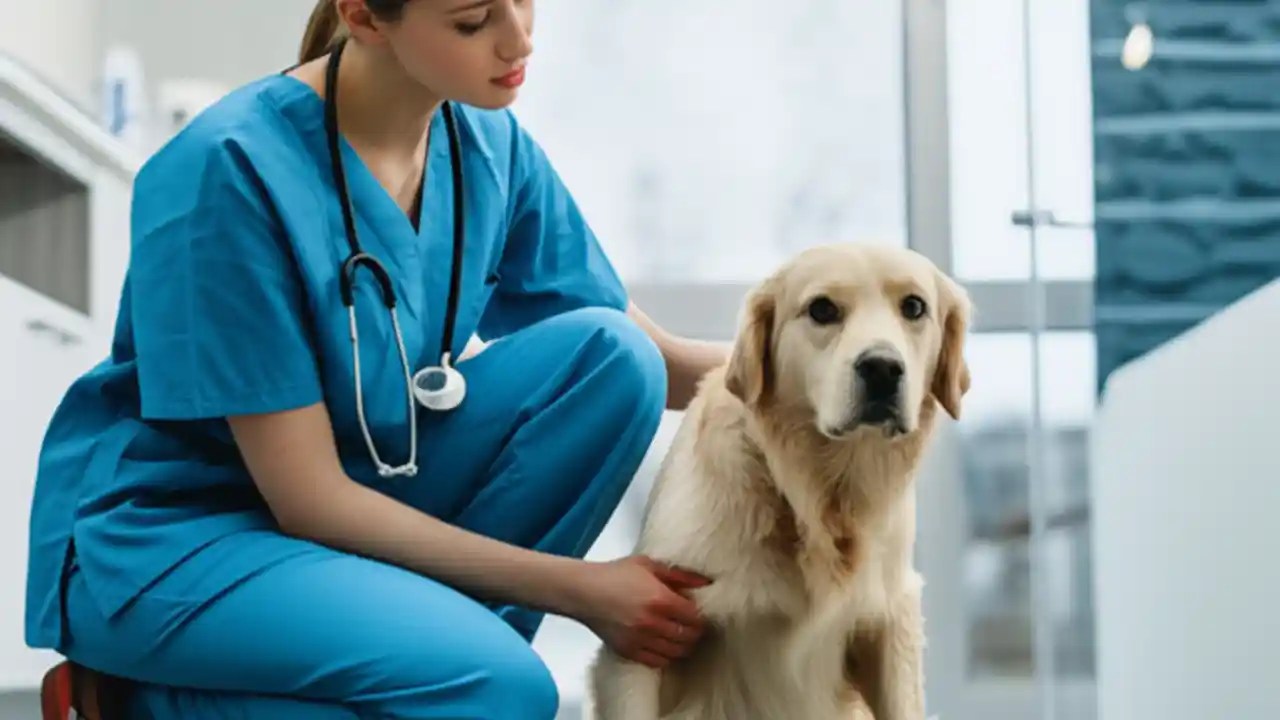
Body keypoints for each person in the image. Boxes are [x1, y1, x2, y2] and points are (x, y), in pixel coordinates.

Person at [23, 1, 729, 717]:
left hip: (363, 487)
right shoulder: (226, 169)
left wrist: (837, 363)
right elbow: (310, 500)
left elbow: (666, 362)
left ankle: (413, 675)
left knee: (615, 361)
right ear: (363, 15)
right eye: (473, 20)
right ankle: (141, 700)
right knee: (502, 687)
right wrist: (583, 590)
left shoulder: (486, 142)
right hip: (182, 535)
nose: (519, 39)